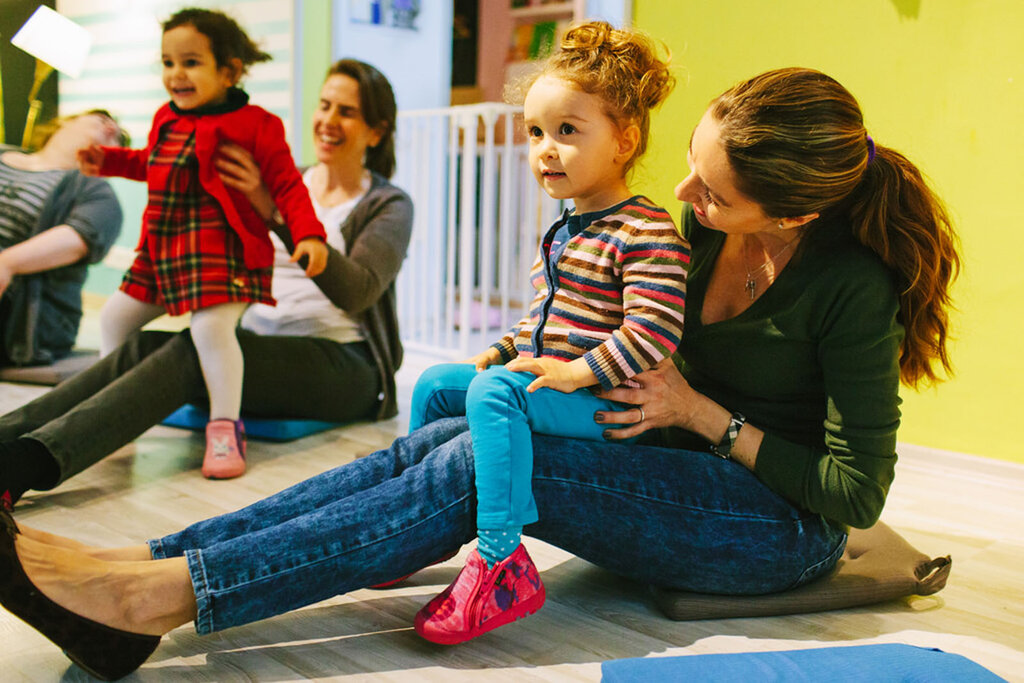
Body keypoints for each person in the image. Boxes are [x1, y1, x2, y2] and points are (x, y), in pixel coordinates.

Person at [0, 66, 959, 680]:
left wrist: (703, 412)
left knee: (475, 473)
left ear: (789, 215)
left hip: (773, 526)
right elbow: (623, 321)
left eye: (711, 187)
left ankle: (153, 604)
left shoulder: (852, 290)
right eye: (694, 164)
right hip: (669, 453)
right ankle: (154, 560)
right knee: (443, 435)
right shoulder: (701, 235)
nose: (683, 192)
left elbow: (852, 494)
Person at [0, 57, 411, 511]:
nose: (328, 121)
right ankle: (6, 435)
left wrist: (271, 210)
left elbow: (359, 291)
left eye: (347, 112)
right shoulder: (291, 177)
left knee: (187, 352)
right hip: (260, 343)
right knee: (147, 344)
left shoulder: (387, 203)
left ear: (376, 131)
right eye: (325, 105)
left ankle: (22, 466)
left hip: (345, 365)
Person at [408, 22, 689, 644]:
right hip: (559, 386)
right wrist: (503, 350)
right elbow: (542, 322)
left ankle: (501, 562)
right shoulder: (564, 231)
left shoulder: (646, 231)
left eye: (567, 131)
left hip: (604, 406)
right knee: (435, 385)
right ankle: (416, 527)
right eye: (535, 132)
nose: (545, 149)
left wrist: (574, 374)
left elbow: (655, 331)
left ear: (624, 140)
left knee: (494, 395)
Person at [77, 7, 329, 479]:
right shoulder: (165, 119)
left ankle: (225, 426)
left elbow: (288, 184)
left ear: (229, 70)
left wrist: (309, 235)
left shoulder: (257, 124)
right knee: (113, 318)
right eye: (168, 63)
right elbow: (151, 163)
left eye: (191, 62)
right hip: (164, 251)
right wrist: (108, 160)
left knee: (210, 330)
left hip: (226, 253)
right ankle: (109, 416)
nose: (176, 74)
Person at [0, 110, 126, 367]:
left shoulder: (97, 193)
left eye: (118, 139)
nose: (111, 129)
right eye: (102, 120)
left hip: (17, 311)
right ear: (65, 122)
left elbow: (77, 237)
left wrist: (5, 263)